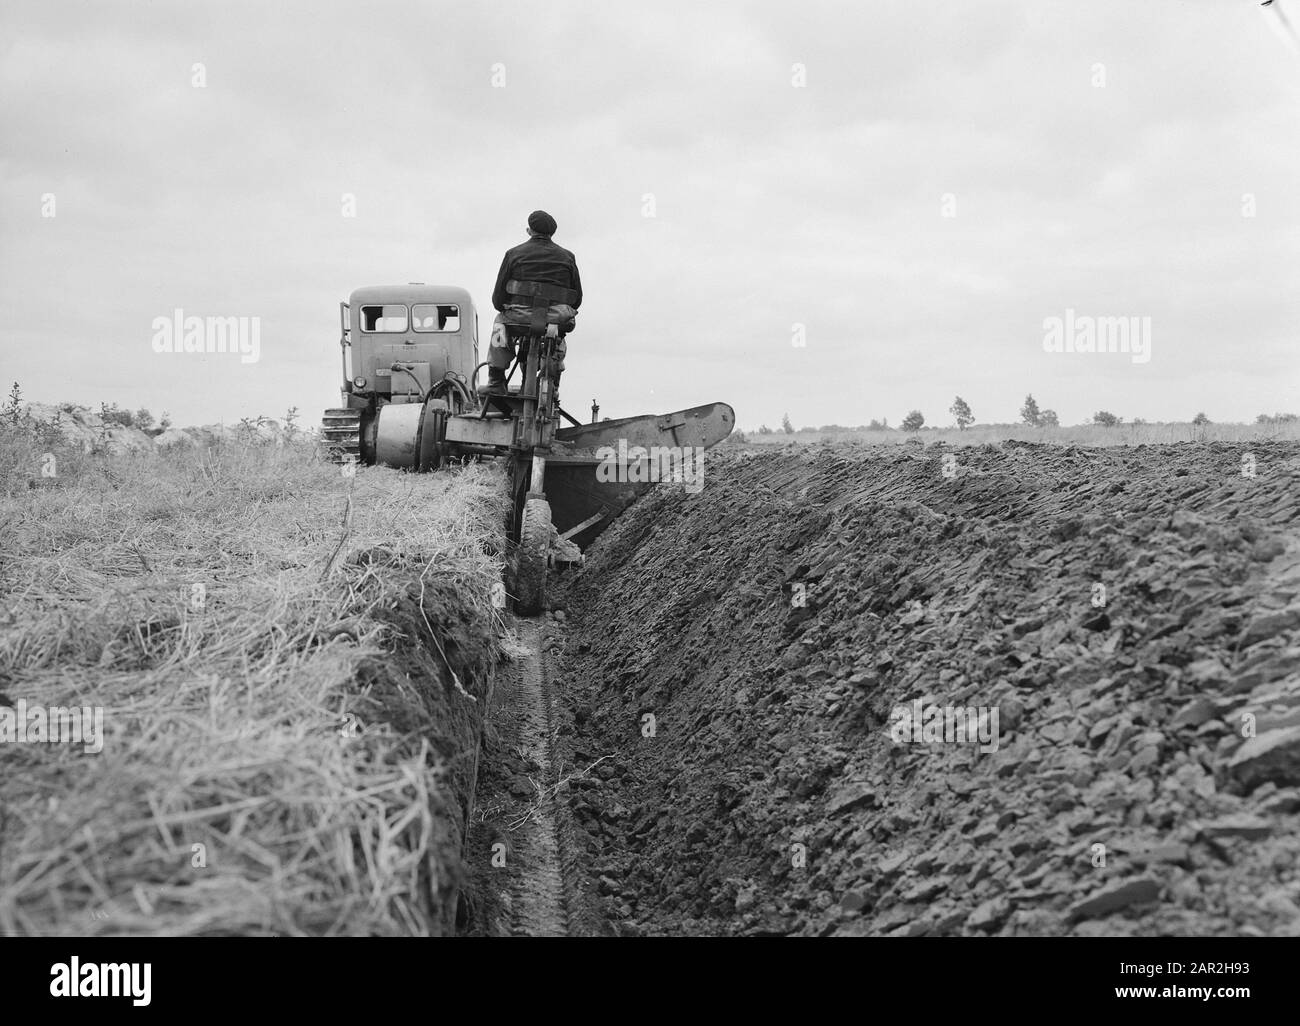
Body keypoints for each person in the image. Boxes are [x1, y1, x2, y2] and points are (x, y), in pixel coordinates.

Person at [486, 210, 582, 396]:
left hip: (520, 317)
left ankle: (496, 380)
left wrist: (506, 308)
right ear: (552, 233)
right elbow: (577, 299)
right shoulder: (568, 257)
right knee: (559, 334)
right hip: (556, 317)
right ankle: (554, 381)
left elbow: (498, 299)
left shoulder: (513, 254)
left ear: (529, 230)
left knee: (500, 322)